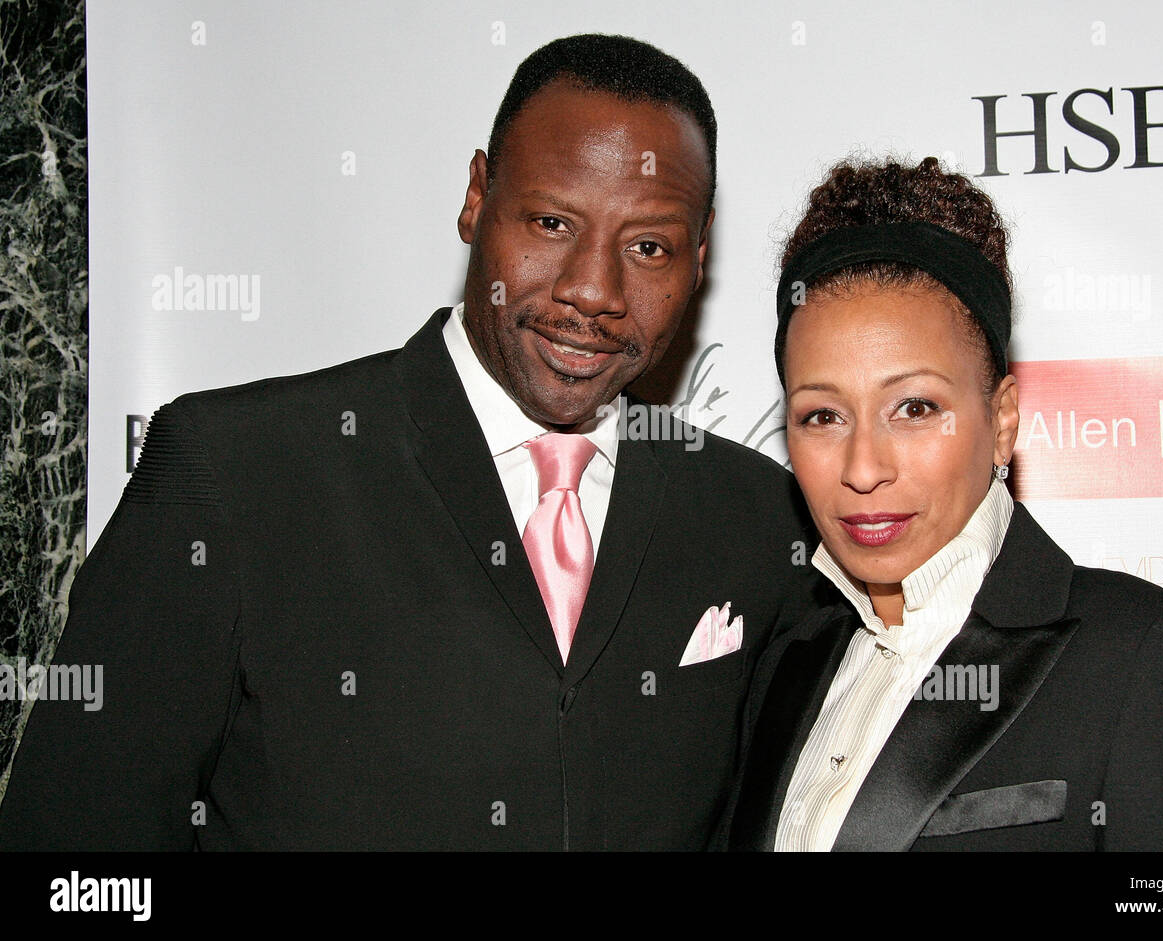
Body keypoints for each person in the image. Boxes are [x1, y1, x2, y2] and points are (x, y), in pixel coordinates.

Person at [0, 34, 820, 851]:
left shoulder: (757, 519)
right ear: (475, 197)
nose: (593, 291)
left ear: (699, 255)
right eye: (550, 221)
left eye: (648, 247)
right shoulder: (235, 475)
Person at [721, 156, 1163, 851]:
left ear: (1002, 420)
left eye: (914, 407)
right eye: (822, 415)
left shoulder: (1145, 660)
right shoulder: (785, 666)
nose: (862, 469)